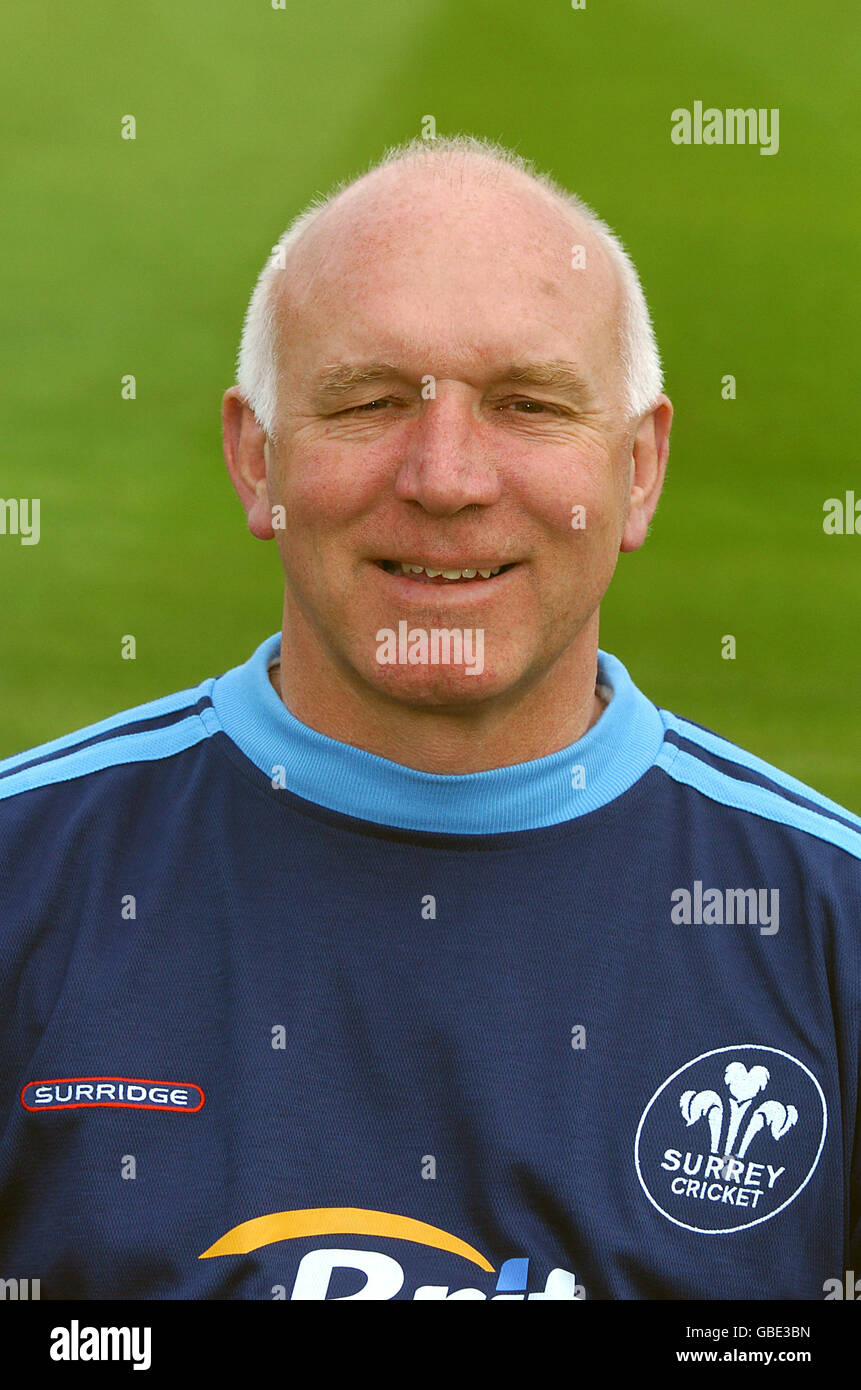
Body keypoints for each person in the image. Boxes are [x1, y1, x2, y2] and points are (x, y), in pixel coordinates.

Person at [0, 136, 857, 1301]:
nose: (446, 477)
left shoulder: (829, 920)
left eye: (528, 403)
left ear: (640, 468)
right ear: (257, 461)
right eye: (368, 401)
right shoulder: (26, 880)